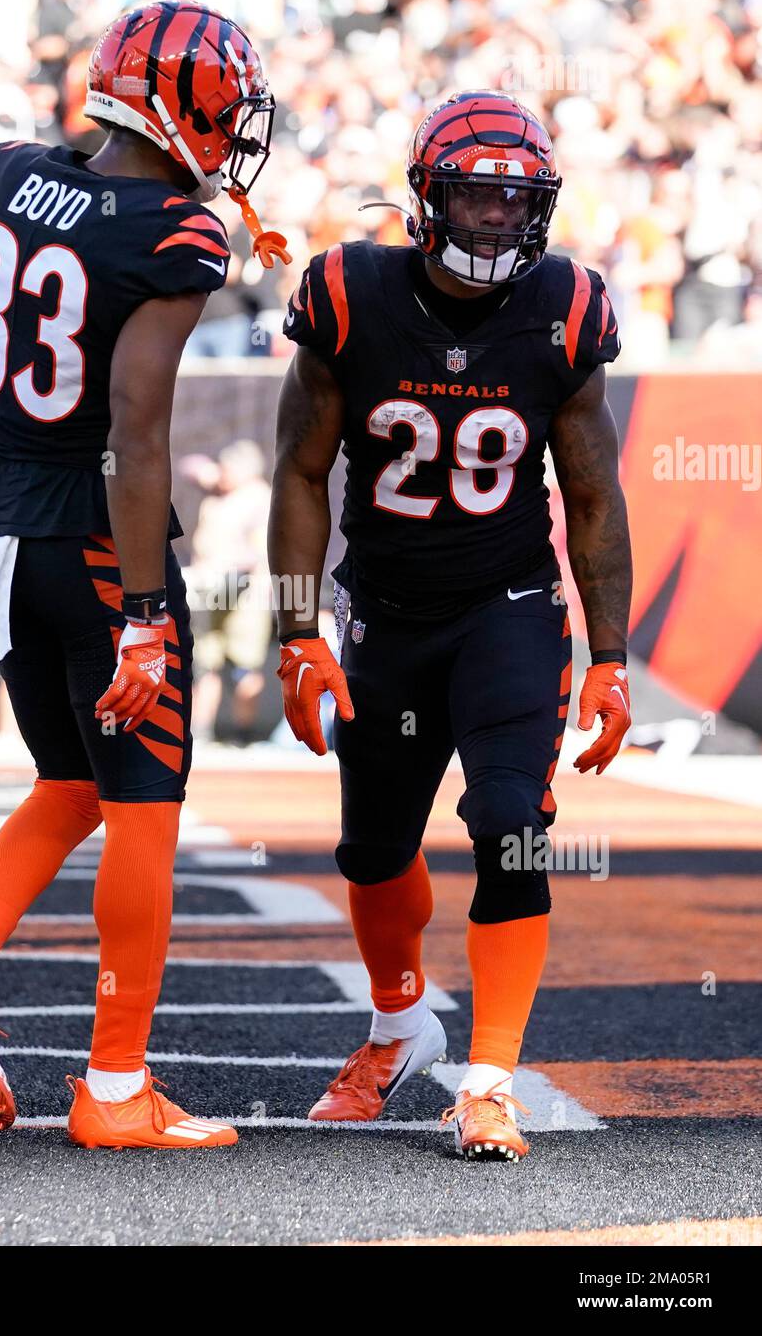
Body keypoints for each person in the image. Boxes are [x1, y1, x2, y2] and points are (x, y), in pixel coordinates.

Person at [0, 0, 286, 1151]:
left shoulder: (5, 175)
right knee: (143, 814)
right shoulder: (171, 231)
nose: (229, 131)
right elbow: (136, 427)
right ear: (170, 104)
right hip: (100, 540)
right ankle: (115, 1087)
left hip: (2, 525)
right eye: (218, 109)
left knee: (68, 786)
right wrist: (149, 615)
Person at [268, 91, 632, 1161]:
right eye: (472, 196)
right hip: (383, 607)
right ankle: (396, 1023)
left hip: (506, 604)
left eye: (512, 202)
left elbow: (593, 497)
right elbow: (298, 470)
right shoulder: (349, 292)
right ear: (426, 196)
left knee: (513, 821)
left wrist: (608, 659)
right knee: (372, 849)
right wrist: (297, 631)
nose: (491, 221)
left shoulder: (562, 307)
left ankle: (487, 1079)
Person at [180, 440, 272, 745]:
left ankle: (242, 736)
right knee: (206, 664)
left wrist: (225, 569)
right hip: (210, 593)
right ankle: (201, 733)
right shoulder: (219, 492)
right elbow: (187, 464)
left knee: (244, 667)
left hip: (245, 596)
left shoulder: (259, 497)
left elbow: (257, 552)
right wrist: (209, 473)